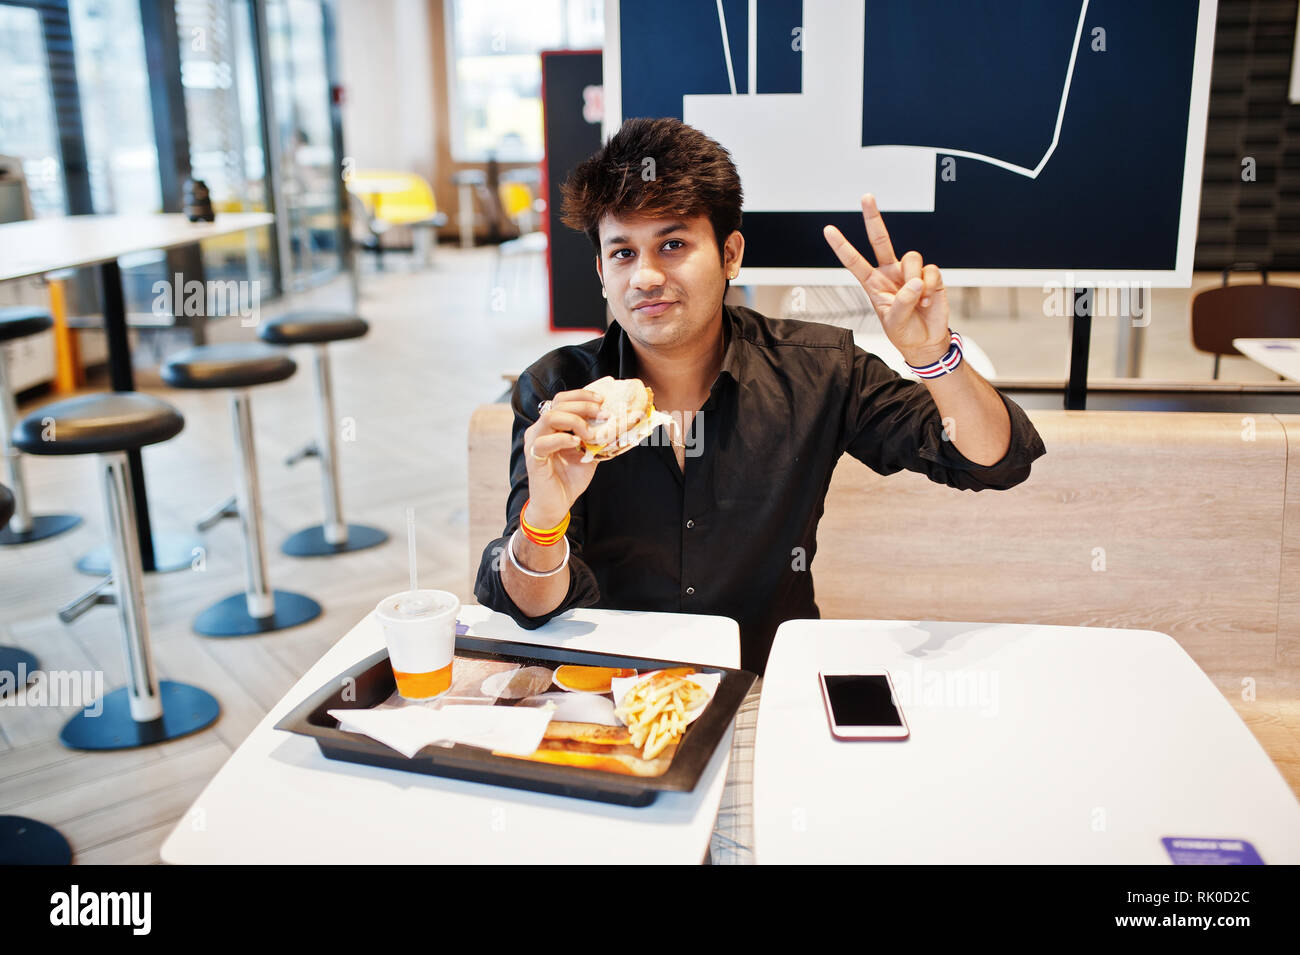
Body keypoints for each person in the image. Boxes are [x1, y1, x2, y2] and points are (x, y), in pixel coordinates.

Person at [473, 117, 1046, 861]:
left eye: (673, 244)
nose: (646, 274)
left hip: (760, 694)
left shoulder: (817, 370)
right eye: (624, 252)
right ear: (602, 272)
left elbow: (991, 459)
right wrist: (545, 517)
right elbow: (527, 602)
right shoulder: (558, 395)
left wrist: (934, 357)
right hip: (601, 700)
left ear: (730, 251)